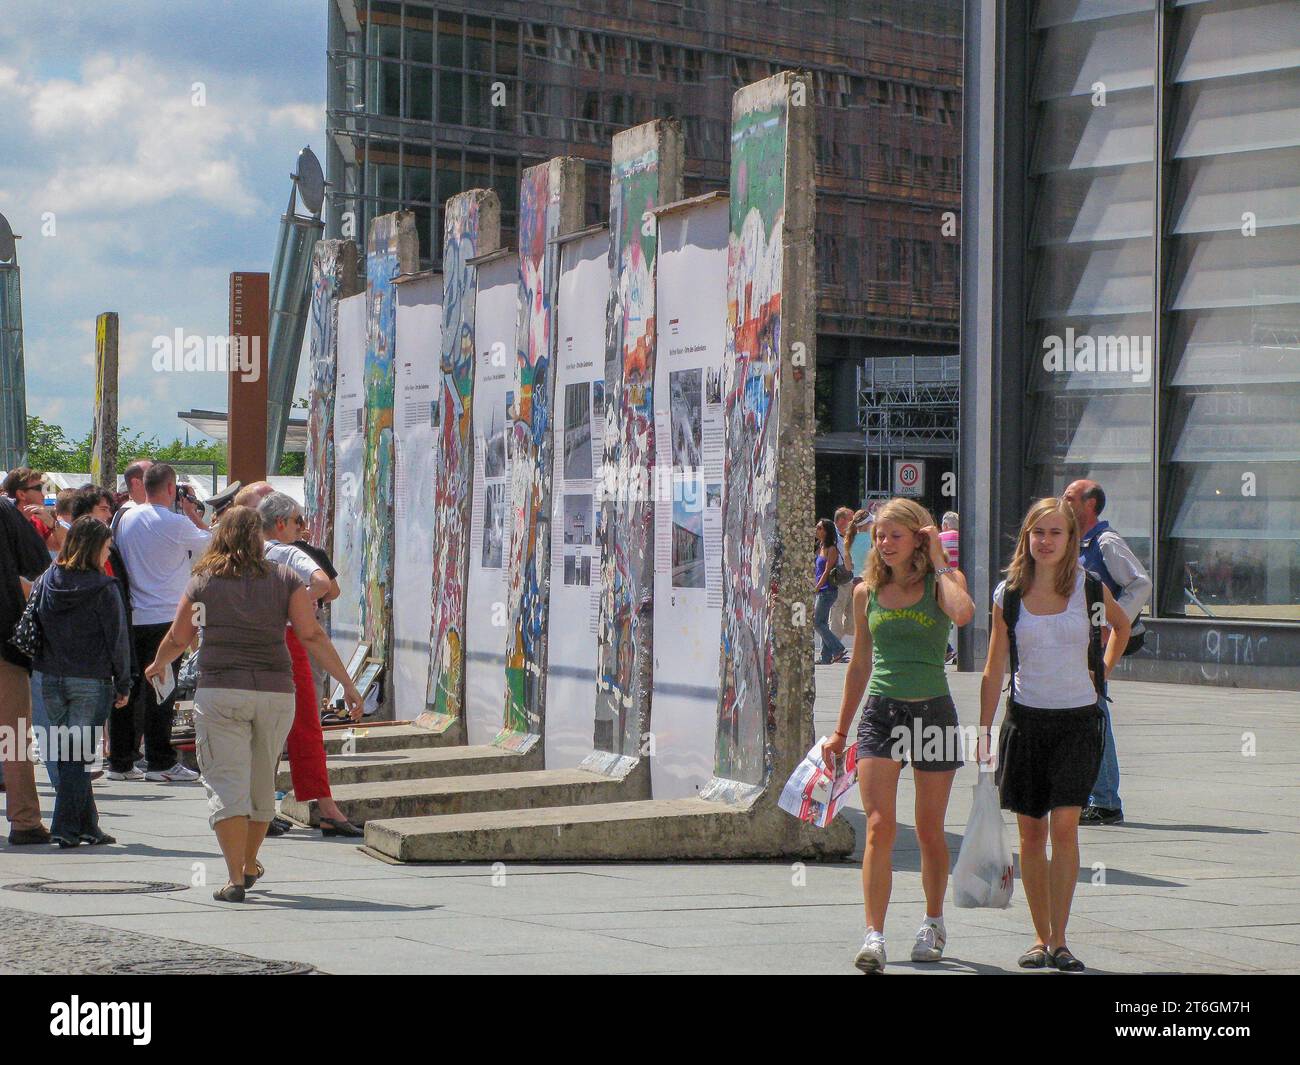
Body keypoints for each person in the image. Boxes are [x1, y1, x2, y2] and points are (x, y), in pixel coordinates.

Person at [144, 507, 363, 902]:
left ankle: (234, 878)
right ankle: (248, 861)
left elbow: (179, 637)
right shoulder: (284, 579)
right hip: (275, 693)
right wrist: (348, 684)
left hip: (221, 692)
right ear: (259, 539)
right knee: (262, 783)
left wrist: (159, 662)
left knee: (227, 783)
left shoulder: (204, 583)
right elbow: (311, 635)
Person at [822, 498, 974, 972]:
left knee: (930, 830)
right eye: (879, 536)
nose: (884, 544)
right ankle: (874, 935)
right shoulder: (868, 591)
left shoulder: (943, 584)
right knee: (880, 825)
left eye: (895, 536)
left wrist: (940, 561)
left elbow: (964, 615)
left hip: (934, 713)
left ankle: (933, 921)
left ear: (918, 538)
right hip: (882, 715)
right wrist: (839, 730)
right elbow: (860, 665)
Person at [978, 496, 1129, 972]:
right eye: (1037, 533)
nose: (1045, 541)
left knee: (1064, 828)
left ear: (1070, 540)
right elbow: (992, 666)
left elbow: (1121, 629)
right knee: (1030, 832)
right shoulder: (1009, 594)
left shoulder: (1089, 589)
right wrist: (983, 731)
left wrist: (1100, 677)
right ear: (1027, 537)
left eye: (1055, 533)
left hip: (1077, 723)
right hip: (1025, 721)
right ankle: (1039, 938)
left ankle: (1060, 941)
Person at [258, 492, 361, 837]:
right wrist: (298, 601)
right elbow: (325, 585)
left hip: (252, 646)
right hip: (289, 642)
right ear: (281, 523)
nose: (303, 528)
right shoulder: (287, 552)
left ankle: (258, 807)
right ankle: (326, 807)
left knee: (263, 730)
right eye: (299, 521)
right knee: (304, 727)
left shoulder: (246, 554)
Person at [32, 517, 132, 847]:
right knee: (75, 757)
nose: (108, 554)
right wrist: (124, 681)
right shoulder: (104, 588)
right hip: (90, 679)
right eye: (106, 547)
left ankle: (89, 825)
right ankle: (65, 827)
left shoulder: (47, 579)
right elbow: (117, 639)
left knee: (68, 754)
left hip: (51, 676)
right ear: (93, 548)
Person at [110, 463, 208, 782]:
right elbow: (211, 545)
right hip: (165, 617)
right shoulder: (176, 523)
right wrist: (193, 514)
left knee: (131, 689)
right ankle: (160, 761)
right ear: (170, 488)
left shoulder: (125, 517)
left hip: (134, 614)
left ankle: (122, 760)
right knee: (162, 690)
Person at [1063, 479, 1151, 826]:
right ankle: (1093, 796)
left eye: (1069, 497)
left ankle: (1106, 801)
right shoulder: (1076, 541)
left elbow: (1140, 583)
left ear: (1090, 505)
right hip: (1077, 643)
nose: (1062, 501)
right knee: (1085, 716)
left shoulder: (1106, 541)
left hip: (1094, 646)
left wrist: (1115, 623)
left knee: (1094, 716)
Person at [0, 492, 53, 844]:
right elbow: (38, 561)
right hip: (4, 638)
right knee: (14, 735)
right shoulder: (4, 510)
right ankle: (24, 821)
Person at [813, 518, 848, 665]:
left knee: (816, 622)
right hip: (822, 589)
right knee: (822, 623)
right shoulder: (820, 546)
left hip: (827, 590)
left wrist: (817, 586)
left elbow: (827, 571)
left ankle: (838, 648)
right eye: (817, 527)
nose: (817, 530)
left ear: (827, 531)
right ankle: (826, 657)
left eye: (820, 528)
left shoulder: (831, 548)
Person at [2, 468, 56, 549]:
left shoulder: (38, 521)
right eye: (39, 488)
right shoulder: (5, 526)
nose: (44, 492)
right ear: (21, 495)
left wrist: (53, 524)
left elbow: (61, 546)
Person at [829, 506, 856, 643]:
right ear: (841, 520)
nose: (853, 523)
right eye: (850, 520)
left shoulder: (849, 535)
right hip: (837, 579)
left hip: (850, 578)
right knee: (836, 613)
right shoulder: (830, 534)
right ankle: (834, 648)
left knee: (853, 616)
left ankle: (835, 643)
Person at [110, 460, 153, 533]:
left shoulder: (124, 512)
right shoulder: (139, 515)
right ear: (136, 482)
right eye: (154, 476)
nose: (161, 480)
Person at [940, 511, 960, 664]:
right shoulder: (964, 538)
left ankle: (946, 648)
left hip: (944, 581)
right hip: (961, 580)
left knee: (944, 616)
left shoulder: (939, 539)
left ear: (945, 525)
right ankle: (961, 651)